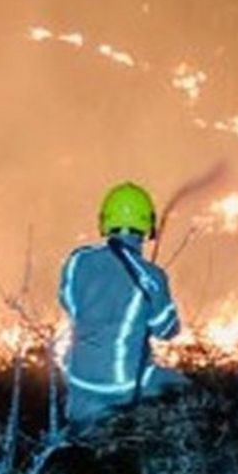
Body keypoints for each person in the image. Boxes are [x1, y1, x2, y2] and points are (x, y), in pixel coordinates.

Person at [59, 182, 188, 430]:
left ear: (105, 220)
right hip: (122, 386)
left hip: (78, 380)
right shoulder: (151, 276)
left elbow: (69, 302)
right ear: (147, 225)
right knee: (189, 390)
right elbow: (168, 329)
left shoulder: (78, 261)